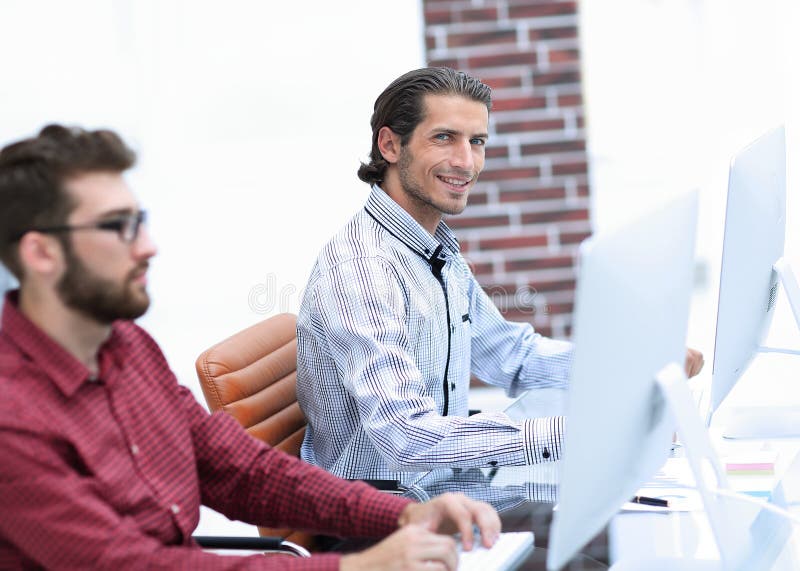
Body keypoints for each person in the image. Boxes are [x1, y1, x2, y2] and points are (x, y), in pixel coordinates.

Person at [0, 124, 501, 570]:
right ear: (41, 252)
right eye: (117, 226)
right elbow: (129, 564)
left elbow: (242, 473)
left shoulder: (127, 347)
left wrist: (407, 512)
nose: (148, 245)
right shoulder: (12, 418)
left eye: (142, 219)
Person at [295, 67, 704, 484]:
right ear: (390, 145)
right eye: (444, 138)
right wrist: (586, 432)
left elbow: (511, 355)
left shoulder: (433, 251)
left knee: (636, 498)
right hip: (384, 519)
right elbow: (407, 437)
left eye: (477, 142)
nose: (466, 162)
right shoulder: (362, 272)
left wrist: (633, 364)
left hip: (449, 488)